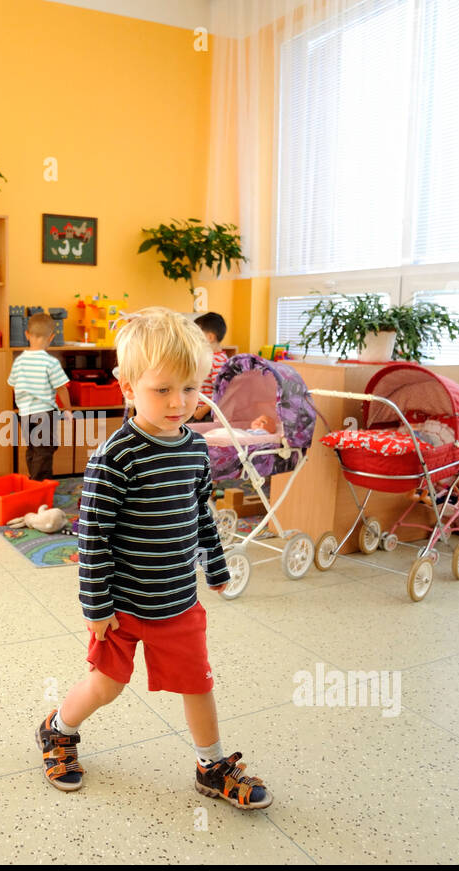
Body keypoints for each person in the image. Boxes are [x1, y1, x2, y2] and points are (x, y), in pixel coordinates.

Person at [35, 306, 273, 810]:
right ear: (128, 389)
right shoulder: (114, 457)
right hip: (121, 606)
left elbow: (200, 513)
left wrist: (216, 564)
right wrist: (96, 607)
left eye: (189, 388)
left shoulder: (194, 449)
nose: (178, 402)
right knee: (106, 686)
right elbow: (93, 539)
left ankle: (211, 766)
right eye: (161, 389)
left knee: (198, 682)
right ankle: (58, 729)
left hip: (177, 601)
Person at [7, 312, 71, 481]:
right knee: (44, 450)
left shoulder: (19, 361)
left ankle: (34, 479)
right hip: (44, 413)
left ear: (27, 335)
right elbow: (62, 389)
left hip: (25, 413)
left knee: (34, 449)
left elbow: (13, 385)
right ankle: (39, 485)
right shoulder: (50, 362)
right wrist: (68, 409)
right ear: (51, 337)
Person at [190, 312, 229, 420]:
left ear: (210, 337)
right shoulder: (210, 358)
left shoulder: (218, 361)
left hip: (207, 413)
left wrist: (203, 411)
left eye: (196, 335)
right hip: (198, 410)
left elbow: (222, 391)